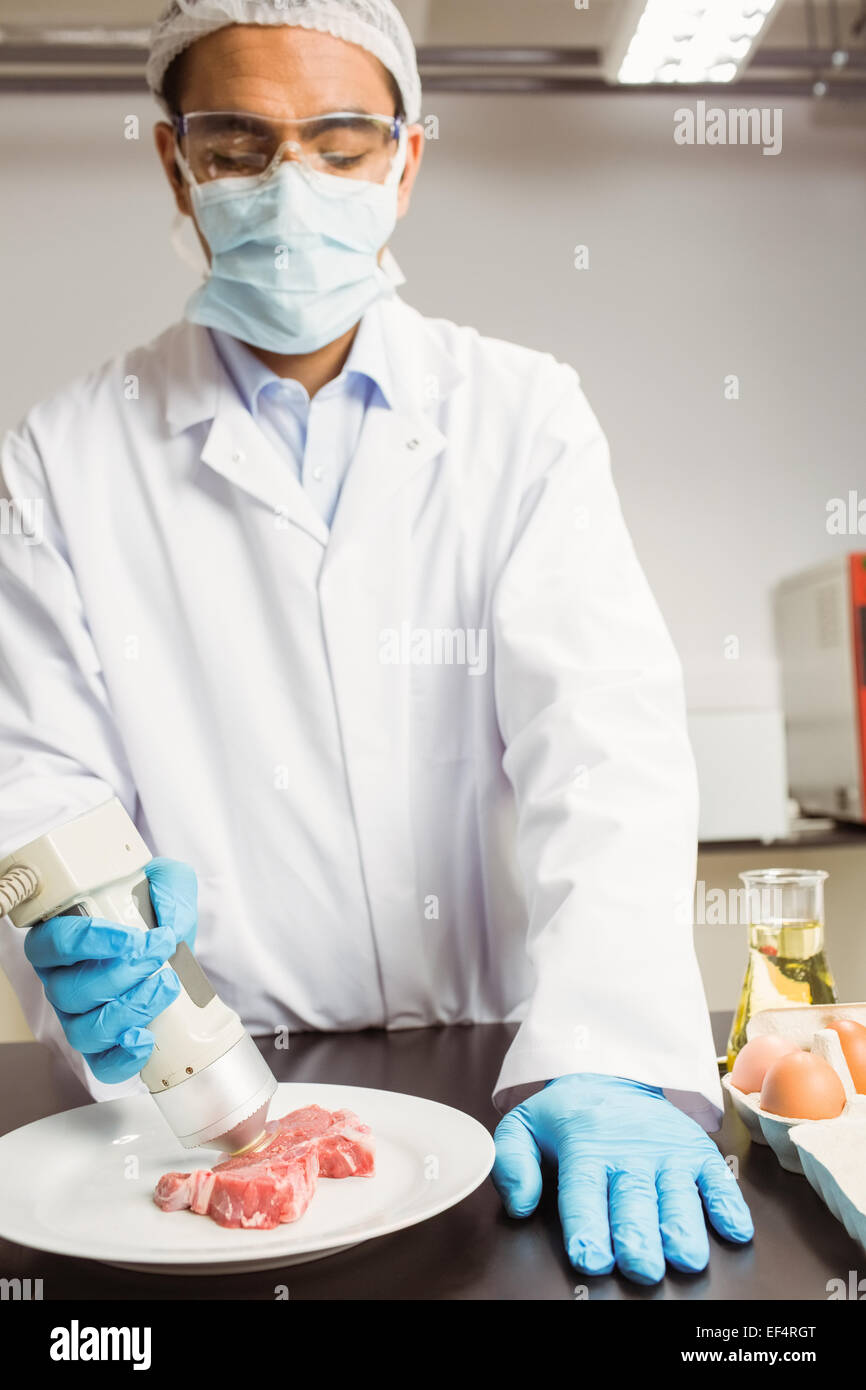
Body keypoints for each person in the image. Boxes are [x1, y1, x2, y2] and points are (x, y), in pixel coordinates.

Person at [0, 0, 752, 1285]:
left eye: (339, 145)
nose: (290, 187)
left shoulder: (519, 414)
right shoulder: (65, 454)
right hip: (223, 1098)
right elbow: (42, 772)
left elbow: (604, 750)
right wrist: (89, 934)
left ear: (406, 162)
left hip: (507, 1067)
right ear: (175, 162)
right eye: (237, 146)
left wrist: (612, 1050)